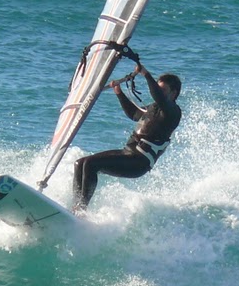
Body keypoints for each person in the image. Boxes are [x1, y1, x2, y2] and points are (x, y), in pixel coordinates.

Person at [72, 65, 182, 211]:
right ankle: (75, 207)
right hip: (128, 153)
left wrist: (146, 74)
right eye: (159, 89)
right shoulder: (153, 108)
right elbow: (134, 114)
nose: (159, 93)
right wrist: (119, 92)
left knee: (91, 164)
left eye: (163, 90)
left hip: (139, 162)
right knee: (80, 163)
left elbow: (158, 97)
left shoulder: (173, 112)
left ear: (173, 94)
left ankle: (81, 210)